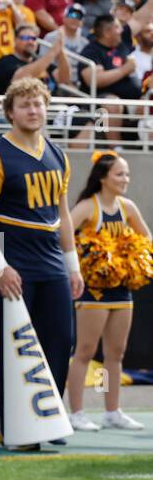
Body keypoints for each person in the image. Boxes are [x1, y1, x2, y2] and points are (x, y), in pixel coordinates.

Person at [0, 77, 84, 448]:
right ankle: (14, 429)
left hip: (51, 262)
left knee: (60, 340)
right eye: (24, 105)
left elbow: (63, 215)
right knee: (11, 347)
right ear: (10, 112)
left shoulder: (57, 153)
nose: (33, 110)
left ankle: (48, 417)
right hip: (14, 260)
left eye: (37, 104)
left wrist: (73, 266)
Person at [65, 152, 147, 431]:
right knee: (85, 351)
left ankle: (112, 410)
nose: (125, 179)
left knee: (116, 353)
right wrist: (82, 259)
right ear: (103, 178)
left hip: (122, 289)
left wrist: (131, 256)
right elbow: (63, 234)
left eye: (126, 174)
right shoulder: (89, 207)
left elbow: (146, 240)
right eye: (119, 174)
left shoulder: (128, 207)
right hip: (93, 291)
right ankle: (76, 411)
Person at [80, 14, 143, 143]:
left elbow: (141, 17)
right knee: (113, 103)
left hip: (132, 99)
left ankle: (141, 142)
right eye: (117, 27)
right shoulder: (91, 51)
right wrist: (124, 69)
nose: (121, 30)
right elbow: (94, 80)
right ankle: (115, 147)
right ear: (107, 32)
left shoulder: (121, 42)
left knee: (146, 100)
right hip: (100, 99)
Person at [0, 23, 72, 94]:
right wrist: (52, 53)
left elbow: (64, 79)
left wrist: (60, 50)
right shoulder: (5, 62)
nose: (30, 42)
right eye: (25, 38)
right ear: (15, 40)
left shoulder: (42, 63)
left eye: (33, 39)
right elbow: (21, 78)